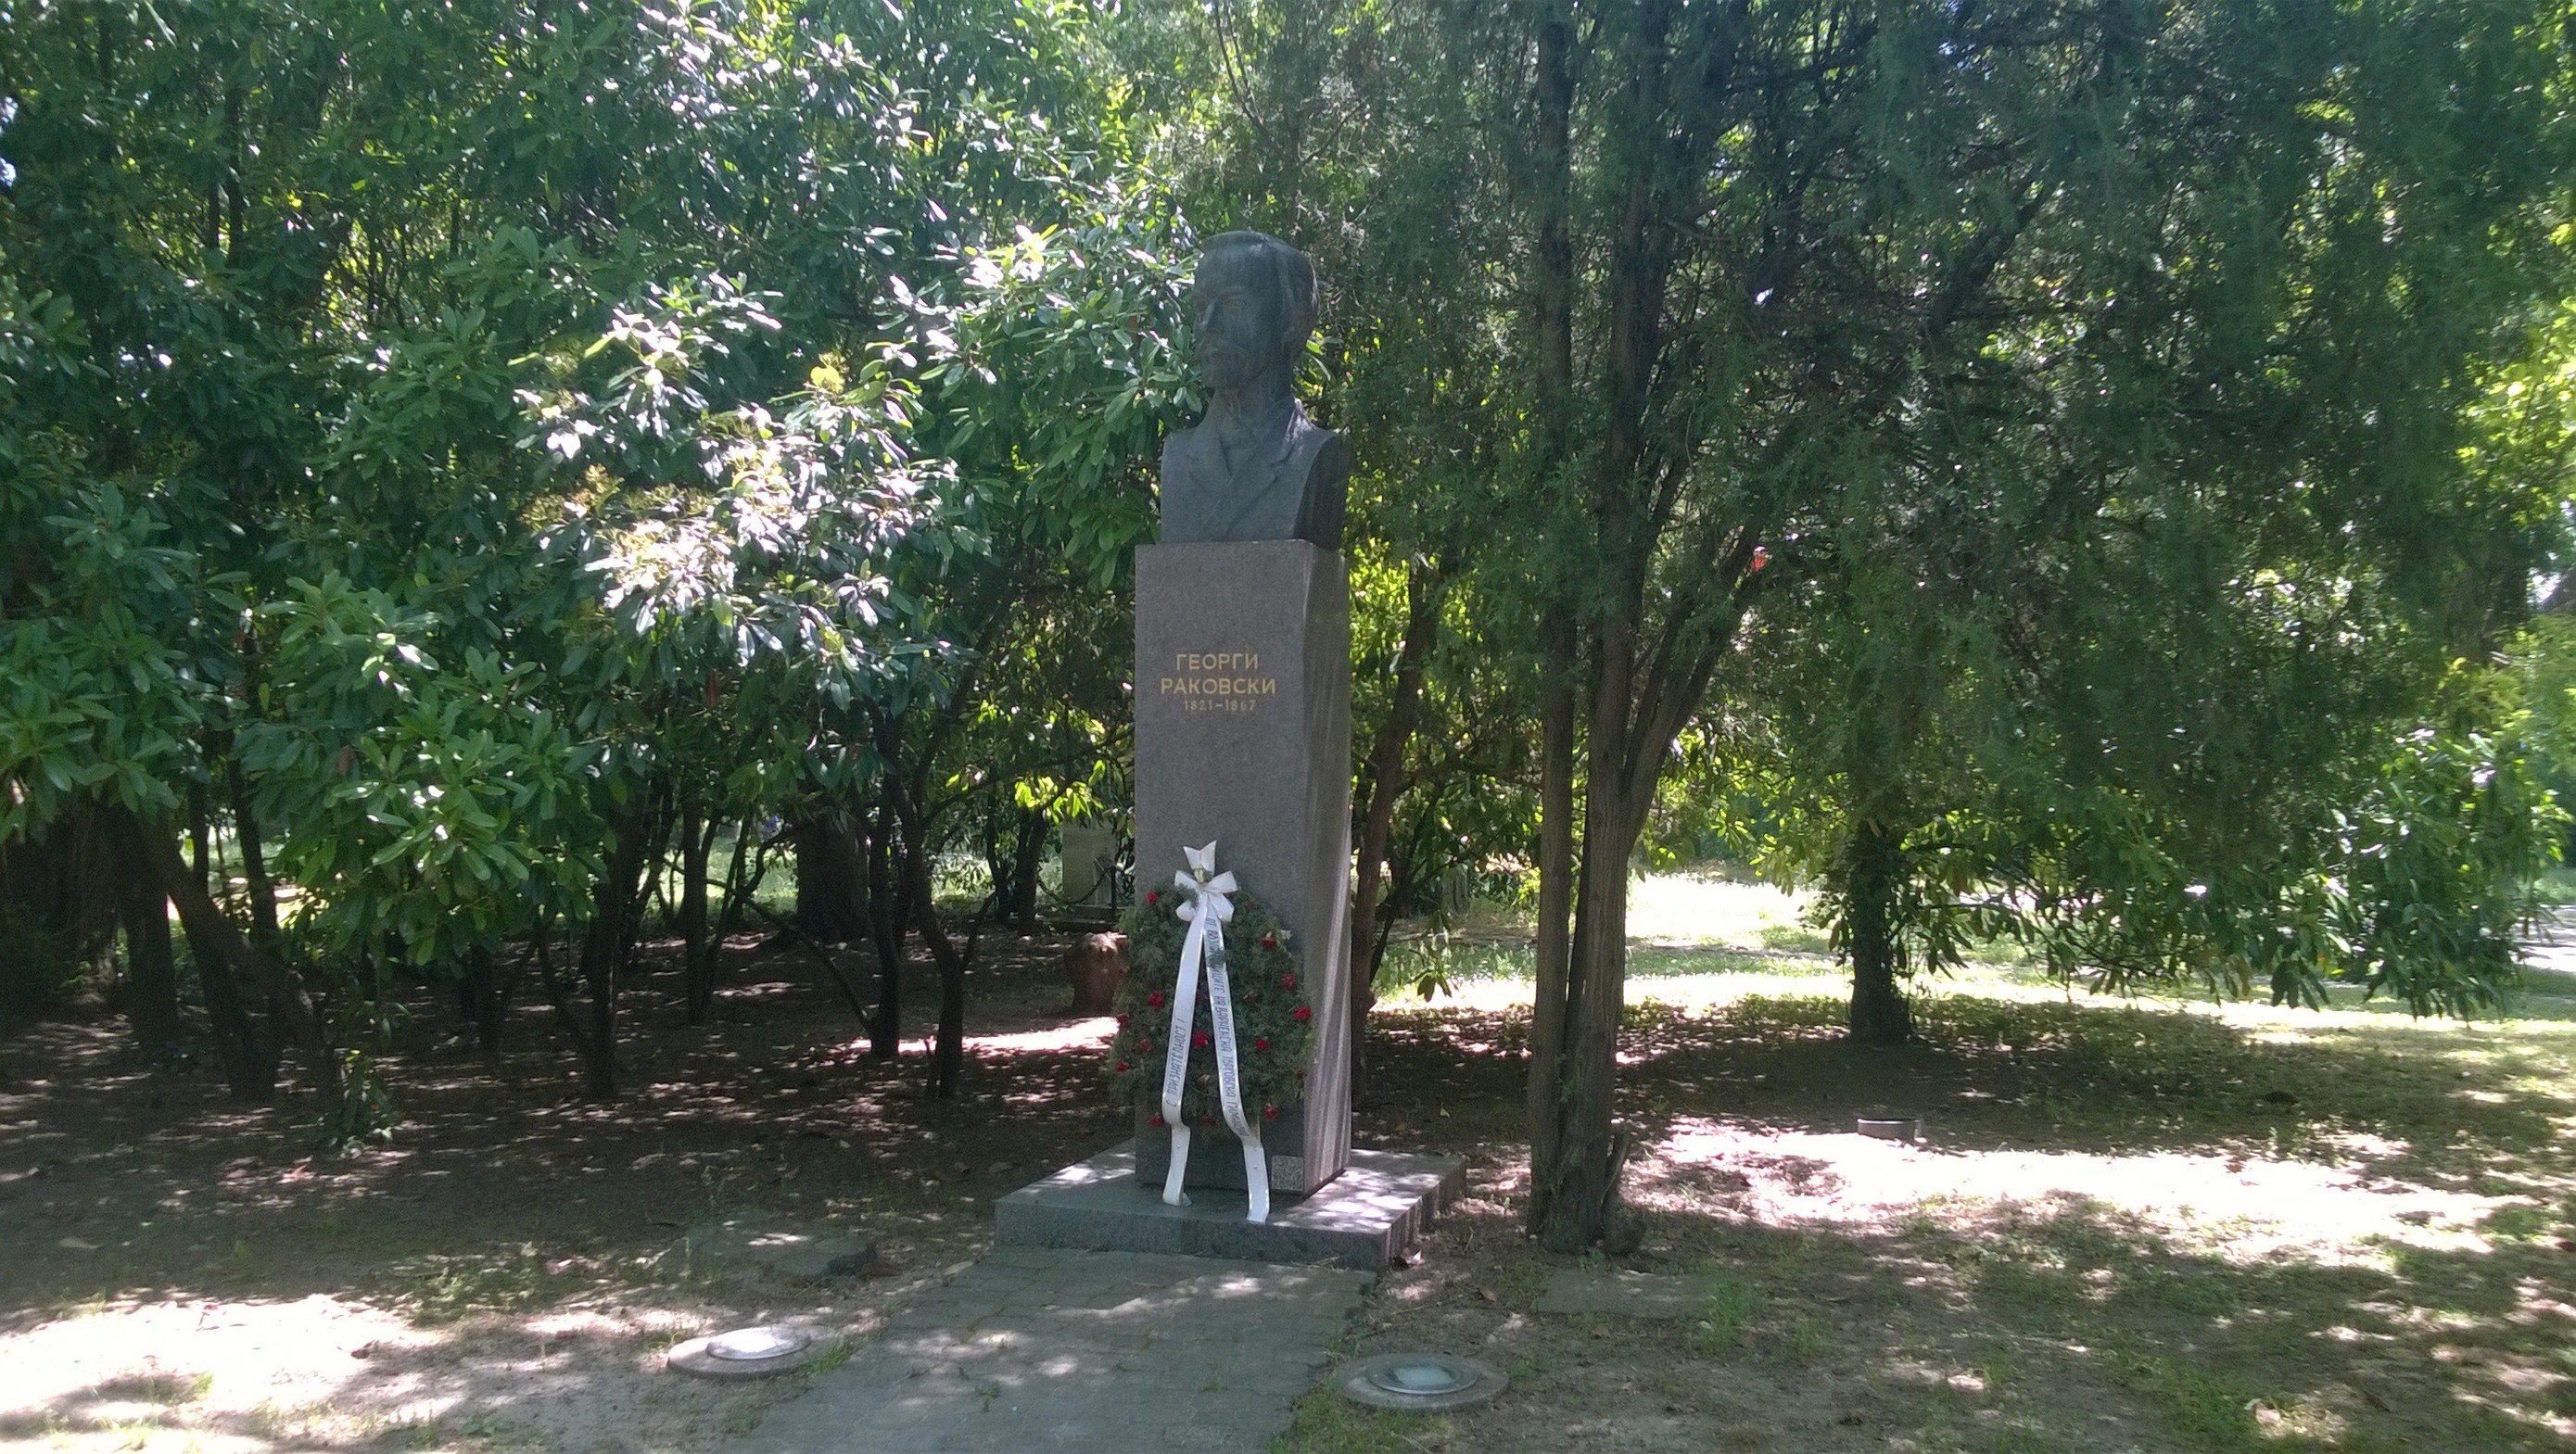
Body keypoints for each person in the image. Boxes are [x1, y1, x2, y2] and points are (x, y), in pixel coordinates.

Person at [1157, 231, 1351, 550]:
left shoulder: (1318, 456)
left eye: (1235, 304)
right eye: (1202, 306)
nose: (1208, 324)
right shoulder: (1177, 457)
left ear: (1292, 322)